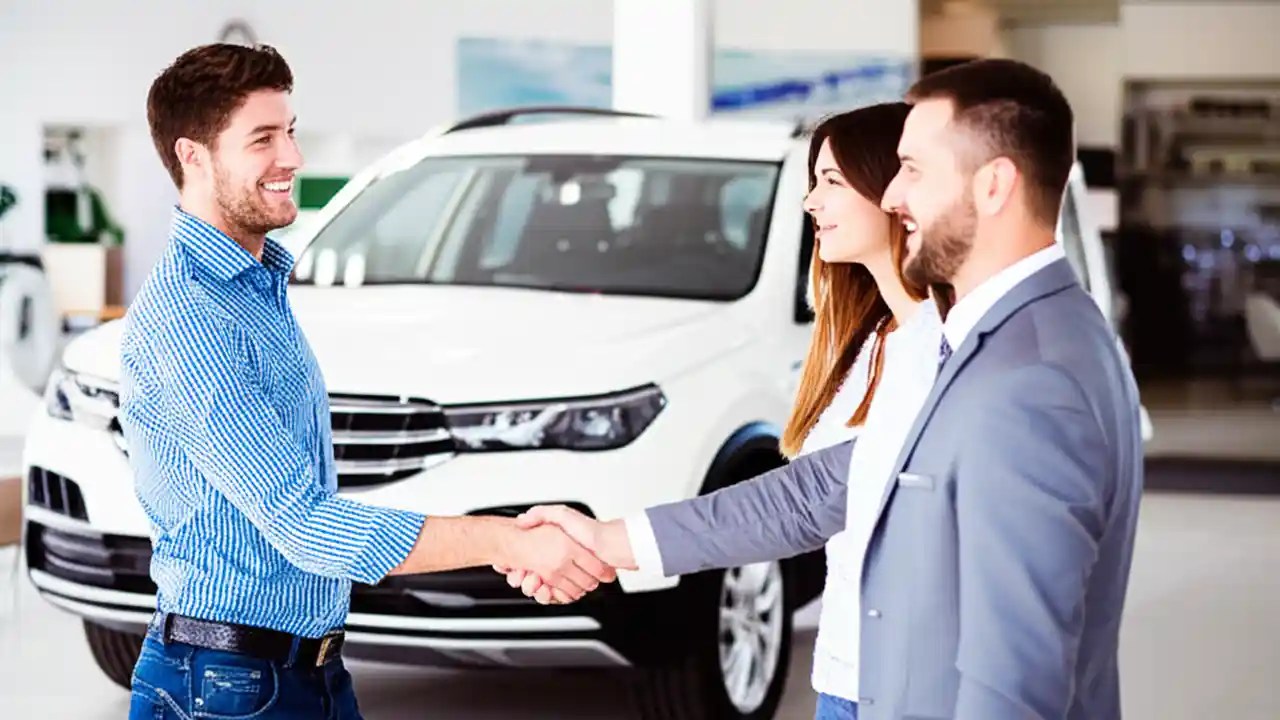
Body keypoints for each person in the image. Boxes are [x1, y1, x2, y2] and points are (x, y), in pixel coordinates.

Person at [508, 58, 1145, 720]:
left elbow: (1015, 675)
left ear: (993, 186)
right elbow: (829, 488)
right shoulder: (979, 340)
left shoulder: (1028, 374)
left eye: (914, 172)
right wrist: (611, 541)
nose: (895, 196)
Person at [119, 43, 613, 720]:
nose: (291, 157)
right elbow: (306, 525)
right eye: (263, 138)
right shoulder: (190, 317)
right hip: (226, 687)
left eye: (289, 131)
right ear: (192, 156)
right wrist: (509, 540)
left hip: (308, 671)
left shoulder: (257, 289)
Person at [502, 101, 944, 720]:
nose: (811, 203)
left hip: (912, 684)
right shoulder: (873, 342)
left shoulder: (944, 351)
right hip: (847, 670)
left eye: (832, 182)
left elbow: (805, 500)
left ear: (892, 189)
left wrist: (609, 541)